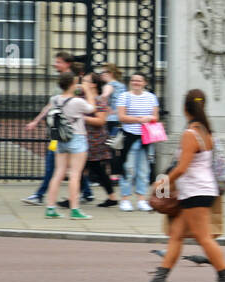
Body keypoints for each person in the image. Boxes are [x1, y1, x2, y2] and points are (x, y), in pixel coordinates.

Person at [139, 89, 225, 282]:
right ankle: (160, 278)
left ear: (185, 108)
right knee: (175, 235)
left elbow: (182, 168)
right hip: (200, 190)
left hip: (195, 192)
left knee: (203, 237)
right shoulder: (206, 132)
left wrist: (161, 183)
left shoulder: (191, 134)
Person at [22, 52, 92, 206]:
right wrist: (36, 121)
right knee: (69, 167)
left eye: (59, 62)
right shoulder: (66, 81)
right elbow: (51, 105)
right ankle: (86, 192)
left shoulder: (70, 82)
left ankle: (40, 195)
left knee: (54, 165)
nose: (55, 64)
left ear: (67, 64)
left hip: (62, 133)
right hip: (59, 131)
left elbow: (79, 104)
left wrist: (36, 120)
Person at [40, 71, 96, 220]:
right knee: (75, 174)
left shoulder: (55, 99)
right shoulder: (77, 102)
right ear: (72, 84)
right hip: (77, 138)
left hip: (59, 138)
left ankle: (50, 208)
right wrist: (88, 90)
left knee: (58, 173)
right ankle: (75, 210)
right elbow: (92, 109)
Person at [115, 72, 161, 211]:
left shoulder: (151, 97)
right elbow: (121, 117)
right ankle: (125, 199)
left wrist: (148, 119)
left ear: (144, 83)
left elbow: (155, 117)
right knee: (128, 169)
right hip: (129, 136)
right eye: (133, 80)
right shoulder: (124, 96)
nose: (136, 82)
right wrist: (139, 119)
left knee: (144, 170)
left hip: (146, 137)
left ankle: (141, 199)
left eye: (139, 80)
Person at [83, 72, 120, 208]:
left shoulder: (99, 100)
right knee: (90, 169)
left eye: (85, 80)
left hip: (95, 140)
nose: (83, 82)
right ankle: (111, 197)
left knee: (90, 168)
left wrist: (82, 118)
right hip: (86, 138)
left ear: (93, 84)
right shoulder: (85, 98)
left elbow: (101, 120)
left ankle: (76, 197)